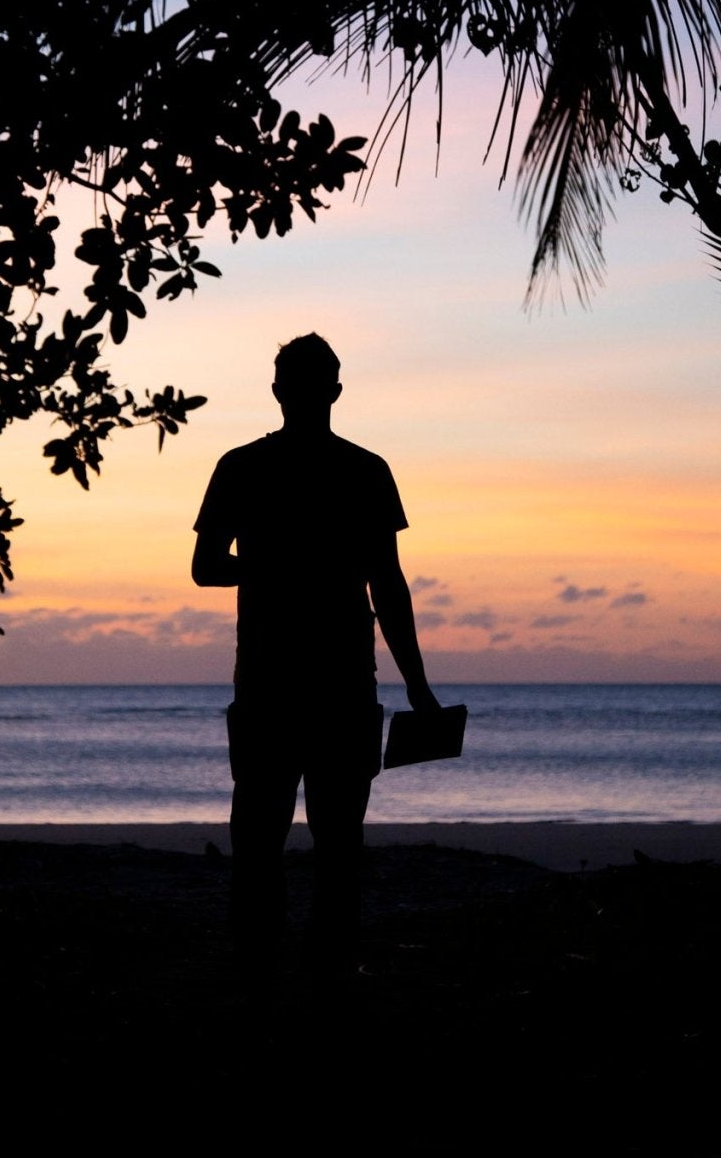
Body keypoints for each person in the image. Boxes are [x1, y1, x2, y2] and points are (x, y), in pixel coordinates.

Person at [191, 333, 441, 973]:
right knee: (320, 842)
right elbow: (387, 584)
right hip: (322, 683)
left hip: (294, 683)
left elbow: (208, 568)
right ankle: (300, 975)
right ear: (332, 390)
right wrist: (416, 684)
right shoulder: (359, 469)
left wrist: (415, 683)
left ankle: (276, 974)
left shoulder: (249, 466)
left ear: (283, 391)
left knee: (270, 839)